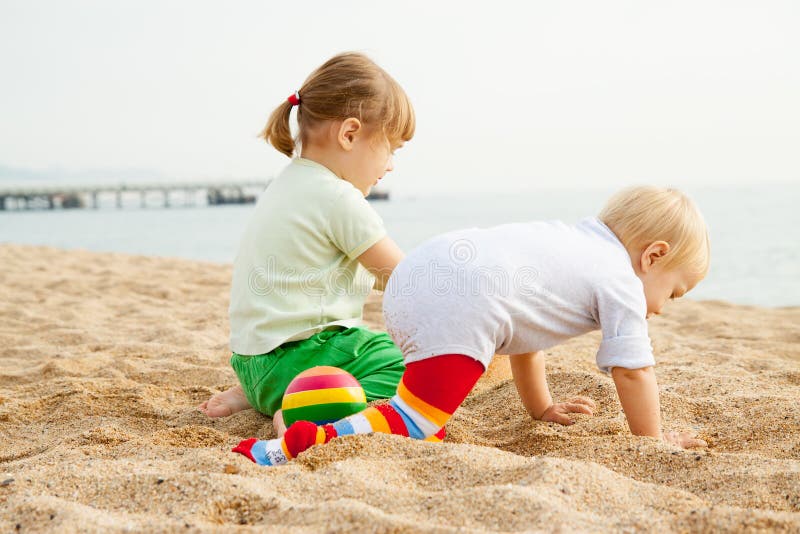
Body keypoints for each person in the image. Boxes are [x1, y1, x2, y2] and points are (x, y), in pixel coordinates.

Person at [233, 186, 711, 465]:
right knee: (418, 422)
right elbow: (634, 371)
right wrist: (653, 443)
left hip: (420, 275)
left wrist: (540, 408)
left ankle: (385, 418)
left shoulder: (574, 243)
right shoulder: (621, 280)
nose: (664, 308)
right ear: (653, 256)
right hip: (460, 300)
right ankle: (287, 449)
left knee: (424, 414)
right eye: (672, 292)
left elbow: (525, 337)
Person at [198, 52, 415, 437]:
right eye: (391, 149)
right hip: (297, 360)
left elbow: (376, 276)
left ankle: (255, 395)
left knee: (361, 340)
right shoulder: (338, 198)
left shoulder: (288, 183)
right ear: (350, 134)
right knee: (409, 363)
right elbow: (404, 278)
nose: (392, 165)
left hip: (253, 364)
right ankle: (308, 410)